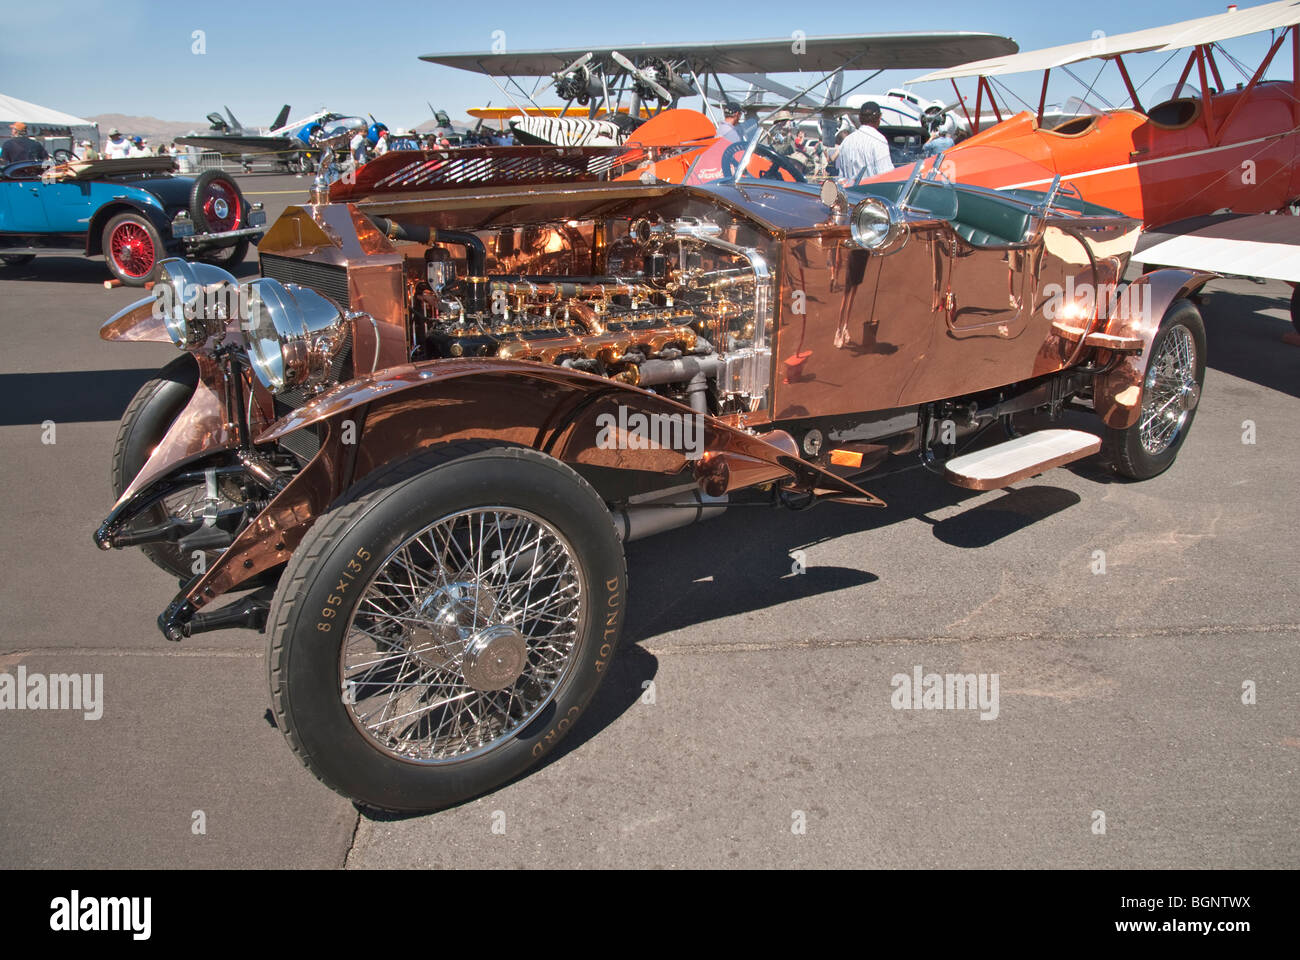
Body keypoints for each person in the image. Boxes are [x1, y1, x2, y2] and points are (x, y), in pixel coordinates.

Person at [835, 102, 893, 185]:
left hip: (849, 195)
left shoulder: (846, 141)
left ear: (860, 118)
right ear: (879, 117)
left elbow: (841, 177)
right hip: (870, 195)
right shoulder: (879, 140)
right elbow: (887, 174)